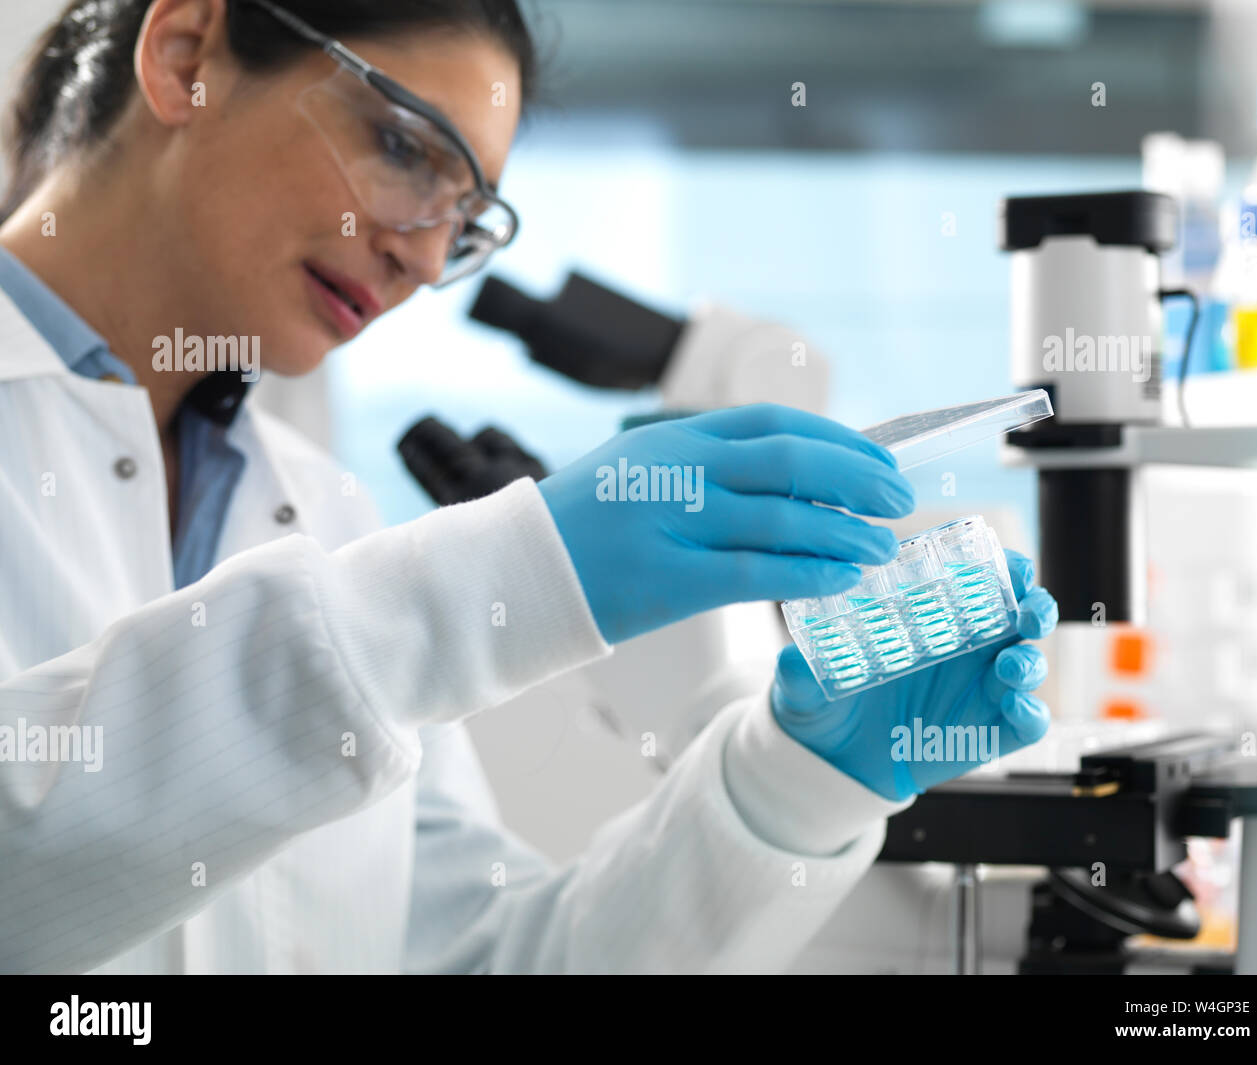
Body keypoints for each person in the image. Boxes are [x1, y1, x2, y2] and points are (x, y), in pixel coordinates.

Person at [0, 0, 1057, 974]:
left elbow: (490, 959)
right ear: (186, 56)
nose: (421, 258)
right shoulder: (354, 571)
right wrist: (496, 580)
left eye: (465, 223)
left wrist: (797, 787)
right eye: (404, 150)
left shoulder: (322, 514)